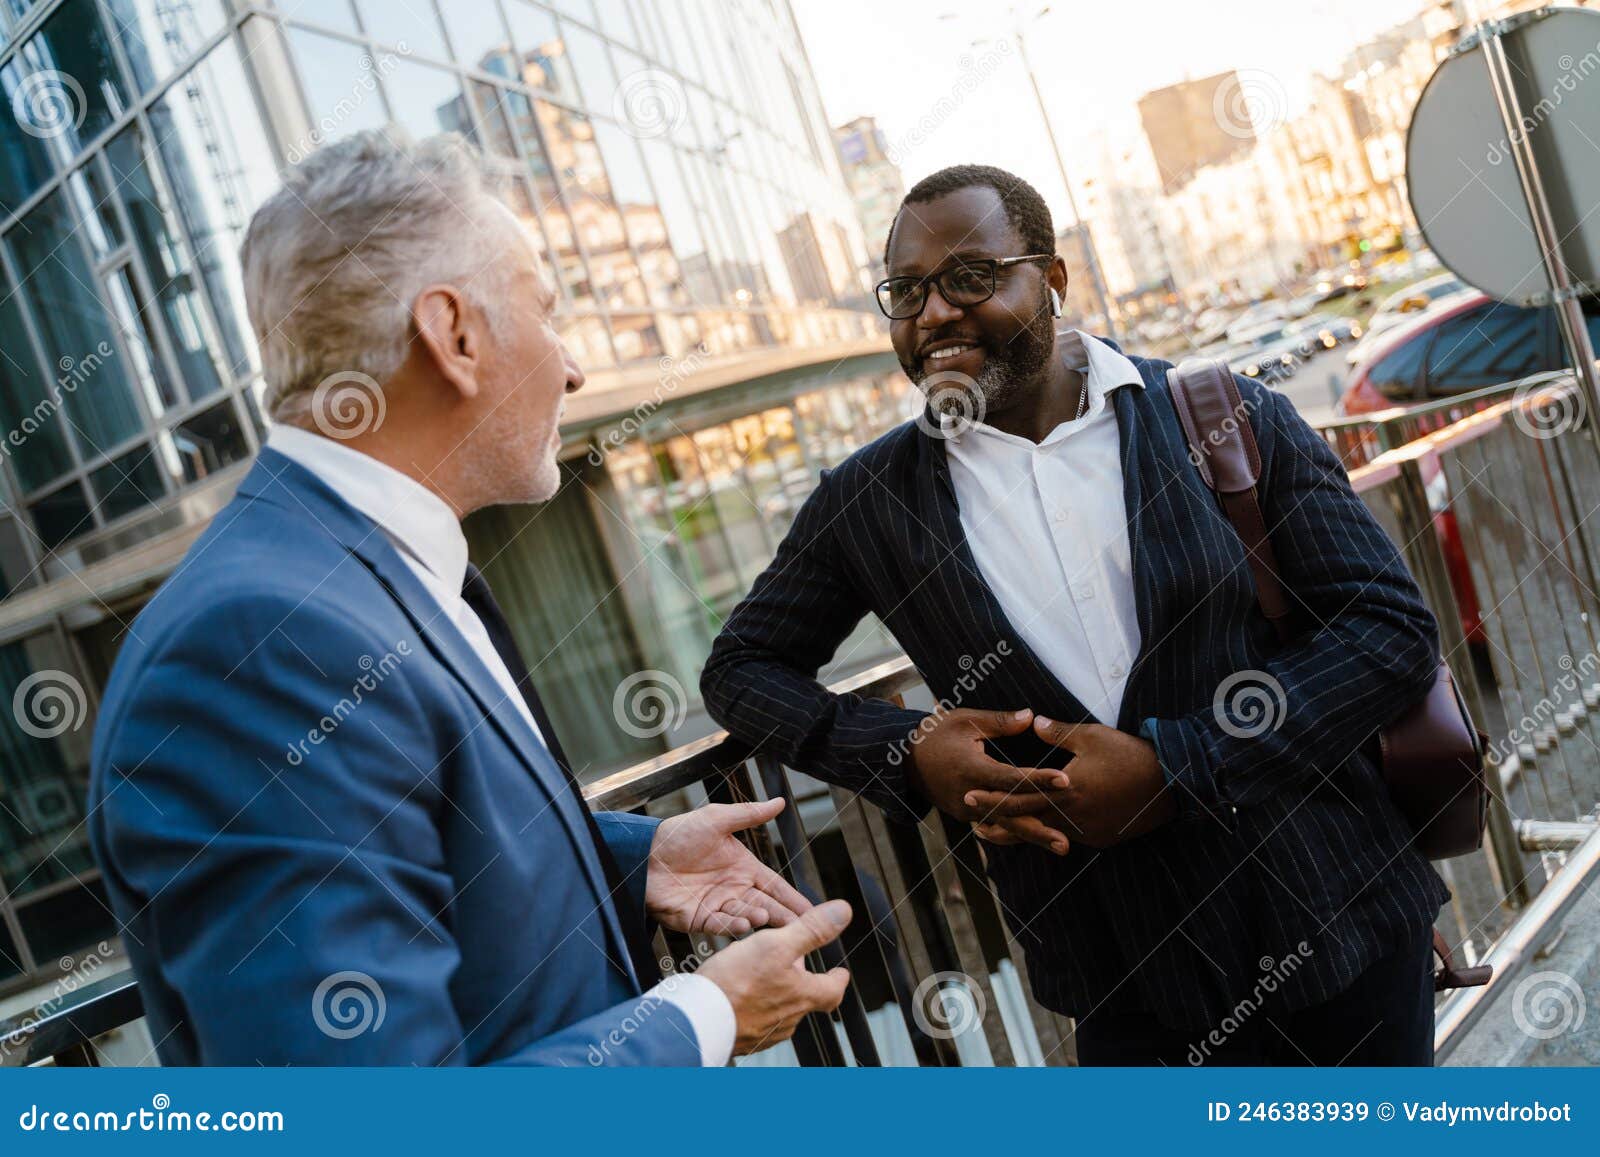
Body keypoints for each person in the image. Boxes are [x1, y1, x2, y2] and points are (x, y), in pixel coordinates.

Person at [87, 129, 851, 1067]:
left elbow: (411, 841)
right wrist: (702, 1018)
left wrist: (626, 858)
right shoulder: (257, 647)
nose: (572, 368)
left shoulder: (376, 572)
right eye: (546, 311)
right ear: (454, 335)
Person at [700, 164, 1447, 1066]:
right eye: (906, 291)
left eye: (971, 277)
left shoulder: (1224, 416)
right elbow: (740, 668)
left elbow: (1388, 629)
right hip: (1124, 982)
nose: (933, 314)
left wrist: (1180, 764)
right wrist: (909, 752)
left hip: (1337, 924)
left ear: (1052, 279)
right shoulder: (870, 501)